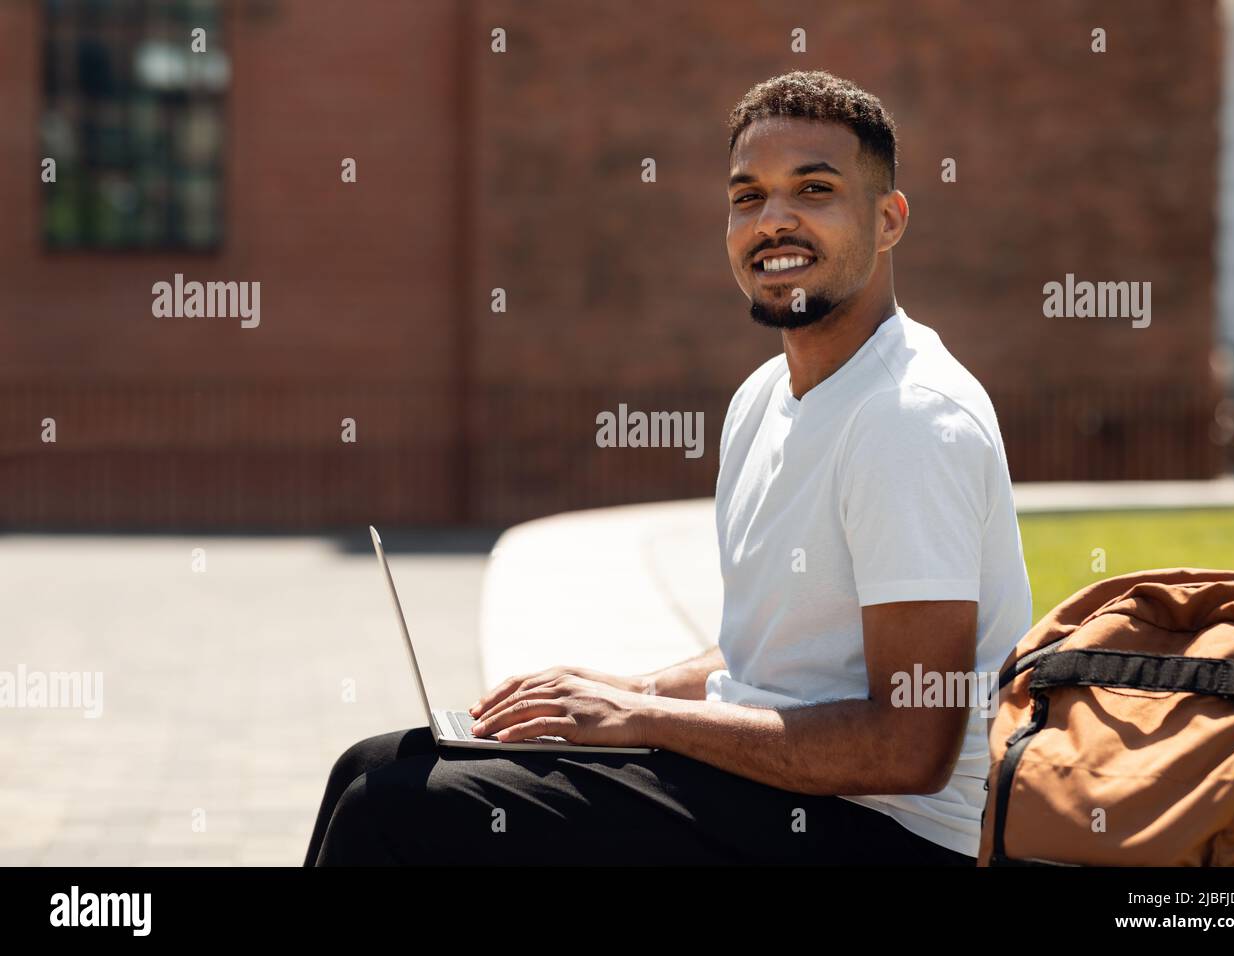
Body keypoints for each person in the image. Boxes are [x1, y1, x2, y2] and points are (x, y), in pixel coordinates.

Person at [305, 69, 1031, 866]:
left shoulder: (909, 417)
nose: (774, 220)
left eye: (814, 191)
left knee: (400, 810)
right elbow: (775, 647)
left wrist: (643, 722)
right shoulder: (763, 398)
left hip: (896, 836)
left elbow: (909, 746)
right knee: (373, 768)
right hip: (783, 796)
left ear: (888, 220)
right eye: (747, 197)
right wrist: (626, 690)